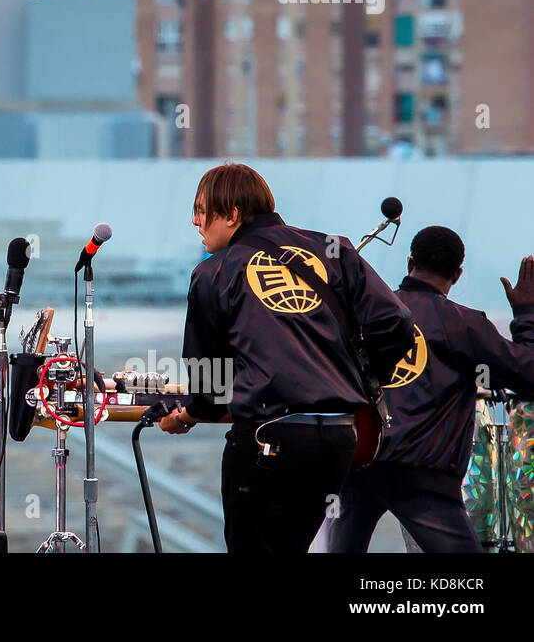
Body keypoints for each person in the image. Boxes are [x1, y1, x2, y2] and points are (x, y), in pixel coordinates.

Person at [157, 163, 414, 553]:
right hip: (339, 441)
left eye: (201, 209)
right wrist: (361, 380)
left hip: (268, 441)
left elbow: (209, 383)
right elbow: (396, 324)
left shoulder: (214, 273)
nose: (195, 221)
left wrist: (186, 415)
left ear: (232, 214)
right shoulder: (336, 249)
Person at [324, 228, 534, 552]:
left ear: (410, 262)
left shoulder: (363, 313)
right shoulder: (465, 325)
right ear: (458, 274)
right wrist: (526, 315)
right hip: (423, 477)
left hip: (359, 464)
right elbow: (526, 373)